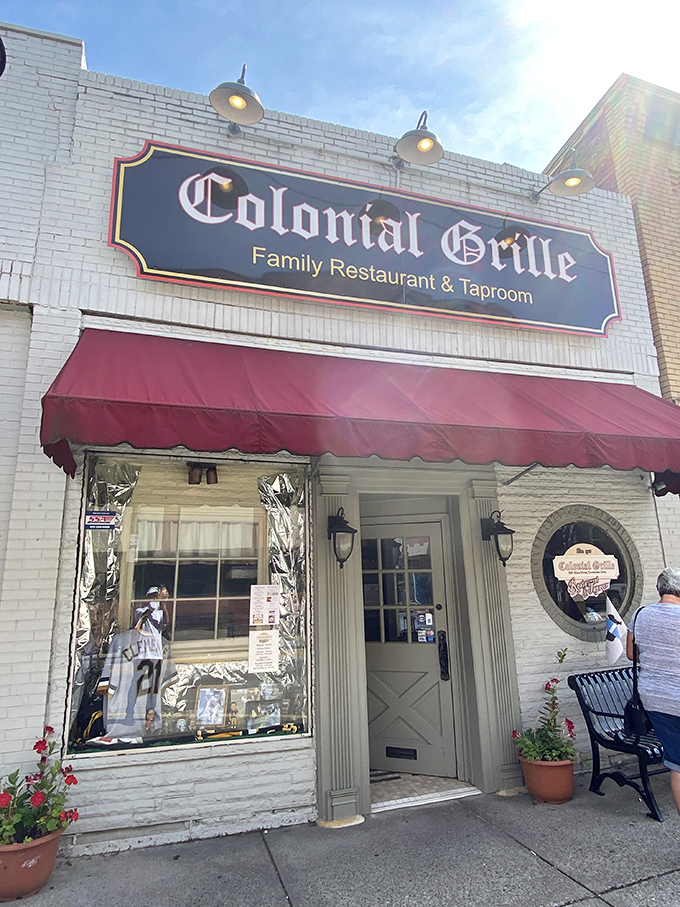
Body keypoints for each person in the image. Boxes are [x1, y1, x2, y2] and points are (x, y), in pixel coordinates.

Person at [627, 566, 680, 814]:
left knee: (677, 765)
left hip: (655, 699)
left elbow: (631, 654)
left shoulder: (639, 615)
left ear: (659, 589)